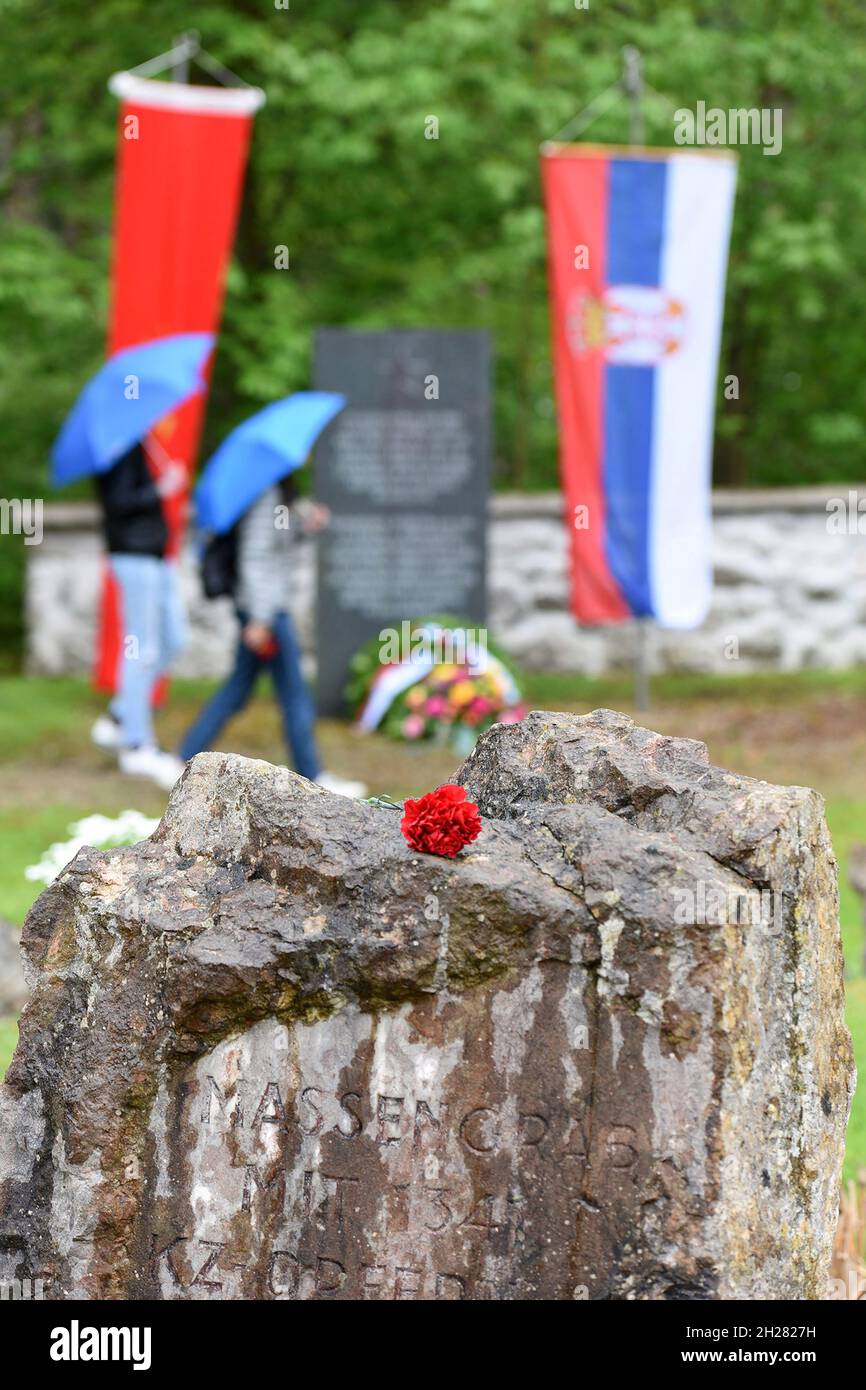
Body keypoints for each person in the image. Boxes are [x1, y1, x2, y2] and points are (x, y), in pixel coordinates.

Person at [178, 476, 366, 798]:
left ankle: (185, 754)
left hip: (261, 610)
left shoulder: (274, 495)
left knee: (238, 688)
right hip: (266, 614)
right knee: (294, 694)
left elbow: (278, 544)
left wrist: (306, 528)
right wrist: (261, 619)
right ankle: (313, 773)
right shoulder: (267, 495)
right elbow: (257, 558)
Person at [90, 440, 187, 790]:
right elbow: (117, 502)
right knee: (141, 647)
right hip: (133, 555)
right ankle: (136, 745)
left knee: (174, 639)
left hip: (155, 555)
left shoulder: (139, 444)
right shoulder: (114, 448)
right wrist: (162, 487)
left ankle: (120, 715)